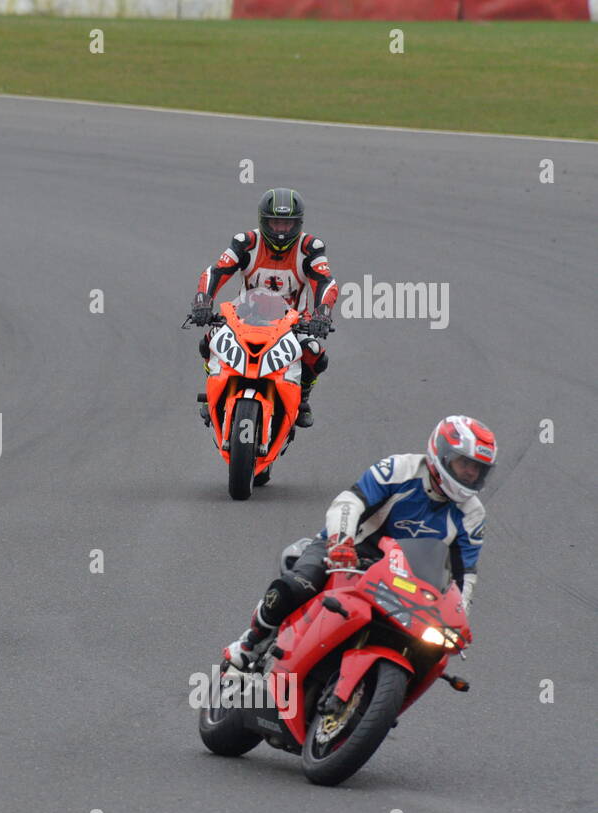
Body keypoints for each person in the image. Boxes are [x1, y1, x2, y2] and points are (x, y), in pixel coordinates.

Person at [223, 415, 497, 673]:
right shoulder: (400, 469)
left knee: (430, 652)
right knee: (295, 587)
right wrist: (341, 542)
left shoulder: (473, 514)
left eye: (477, 469)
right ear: (442, 454)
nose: (470, 474)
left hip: (408, 584)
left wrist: (458, 616)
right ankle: (250, 642)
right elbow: (349, 502)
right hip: (351, 553)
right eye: (465, 464)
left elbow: (465, 574)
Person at [188, 188, 338, 428]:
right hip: (245, 317)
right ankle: (212, 388)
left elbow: (326, 282)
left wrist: (323, 313)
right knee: (209, 341)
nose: (280, 230)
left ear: (298, 223)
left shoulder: (311, 247)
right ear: (263, 221)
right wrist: (202, 300)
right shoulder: (245, 242)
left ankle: (302, 398)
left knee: (314, 352)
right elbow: (215, 272)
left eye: (286, 224)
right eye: (275, 223)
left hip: (294, 320)